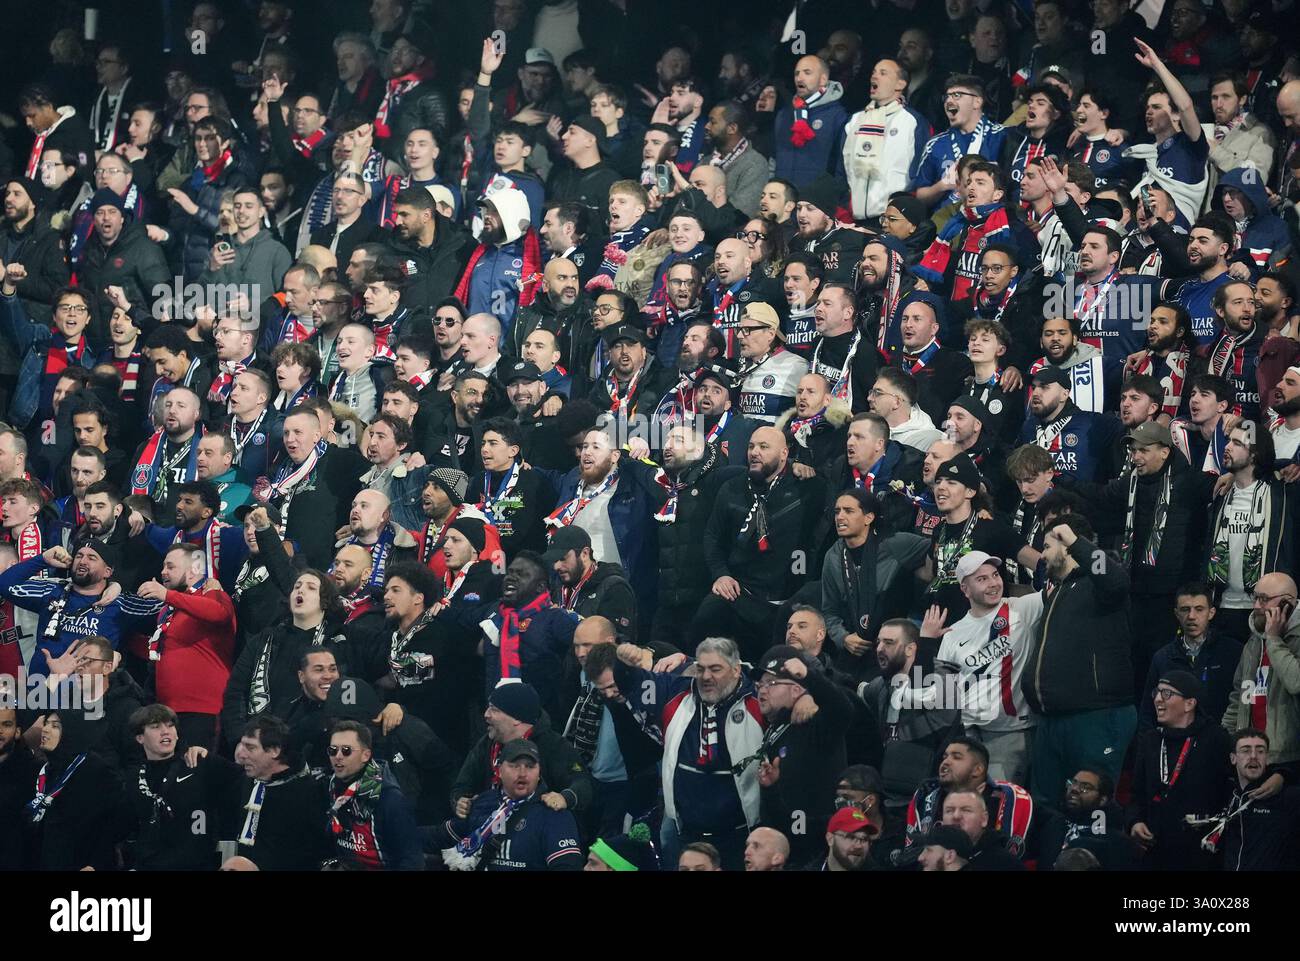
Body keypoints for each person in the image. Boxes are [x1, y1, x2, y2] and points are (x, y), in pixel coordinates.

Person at [610, 636, 763, 870]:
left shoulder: (758, 700)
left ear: (735, 670)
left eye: (715, 669)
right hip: (686, 833)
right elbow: (630, 682)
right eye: (700, 668)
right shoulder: (675, 692)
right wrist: (622, 661)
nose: (706, 676)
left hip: (739, 836)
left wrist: (804, 698)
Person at [1024, 515, 1137, 799]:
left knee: (1091, 804)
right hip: (1052, 720)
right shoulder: (1059, 590)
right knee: (1047, 808)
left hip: (1095, 716)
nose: (1043, 557)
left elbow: (1116, 581)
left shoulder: (1098, 583)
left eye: (1048, 547)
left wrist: (1075, 542)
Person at [932, 552, 1041, 784]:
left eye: (995, 575)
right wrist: (926, 642)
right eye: (982, 579)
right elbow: (944, 694)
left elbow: (1061, 586)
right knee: (968, 798)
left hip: (1011, 733)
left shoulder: (1022, 610)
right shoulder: (953, 634)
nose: (993, 583)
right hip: (968, 734)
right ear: (965, 589)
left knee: (998, 802)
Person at [752, 645, 854, 865]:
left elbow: (843, 710)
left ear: (796, 689)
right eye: (760, 684)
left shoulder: (813, 720)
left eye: (771, 683)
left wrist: (811, 681)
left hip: (814, 847)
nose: (762, 690)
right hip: (783, 841)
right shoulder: (777, 726)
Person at [1129, 671, 1234, 870]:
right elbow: (1137, 795)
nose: (1158, 699)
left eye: (1167, 693)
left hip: (1202, 854)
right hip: (1157, 850)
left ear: (1189, 703)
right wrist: (1135, 822)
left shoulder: (1216, 739)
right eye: (1157, 692)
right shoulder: (1150, 740)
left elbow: (1229, 792)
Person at [136, 542, 236, 751]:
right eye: (163, 566)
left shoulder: (211, 594)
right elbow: (165, 651)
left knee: (196, 777)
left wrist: (166, 595)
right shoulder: (168, 610)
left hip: (203, 711)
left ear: (194, 569)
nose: (163, 572)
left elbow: (219, 613)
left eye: (170, 567)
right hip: (168, 712)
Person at [441, 738, 584, 871]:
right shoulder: (483, 802)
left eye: (529, 766)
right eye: (514, 766)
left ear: (539, 772)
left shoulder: (553, 814)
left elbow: (567, 866)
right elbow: (442, 835)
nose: (522, 773)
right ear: (500, 771)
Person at [1222, 572, 1300, 768]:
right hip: (1251, 756)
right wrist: (1228, 740)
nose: (1256, 606)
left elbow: (1296, 682)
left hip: (1288, 758)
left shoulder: (1294, 639)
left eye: (1264, 599)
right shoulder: (1254, 642)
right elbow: (1240, 694)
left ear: (1287, 603)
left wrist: (1274, 639)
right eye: (1255, 597)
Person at [323, 720, 423, 871]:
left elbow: (412, 861)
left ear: (365, 755)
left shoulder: (390, 799)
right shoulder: (332, 786)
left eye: (346, 750)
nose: (338, 756)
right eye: (333, 750)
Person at [1142, 584, 1242, 729]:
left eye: (1199, 609)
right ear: (1176, 614)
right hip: (1174, 742)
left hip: (1219, 740)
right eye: (1185, 609)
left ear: (1211, 613)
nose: (1191, 616)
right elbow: (1148, 711)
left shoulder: (1233, 652)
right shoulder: (1163, 657)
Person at [1218, 728, 1300, 871]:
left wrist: (1285, 774)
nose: (1254, 756)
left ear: (1267, 758)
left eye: (1260, 751)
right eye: (1246, 750)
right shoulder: (1225, 794)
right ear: (1233, 758)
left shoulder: (1287, 797)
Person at [544, 525, 636, 642]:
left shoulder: (614, 589)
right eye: (554, 560)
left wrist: (572, 621)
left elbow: (618, 644)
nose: (556, 566)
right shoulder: (556, 585)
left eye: (563, 559)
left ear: (585, 554)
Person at [772, 56, 848, 188]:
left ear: (823, 79)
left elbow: (842, 166)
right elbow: (773, 159)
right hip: (783, 199)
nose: (799, 78)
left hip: (816, 201)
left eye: (807, 73)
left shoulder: (838, 116)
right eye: (797, 73)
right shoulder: (784, 114)